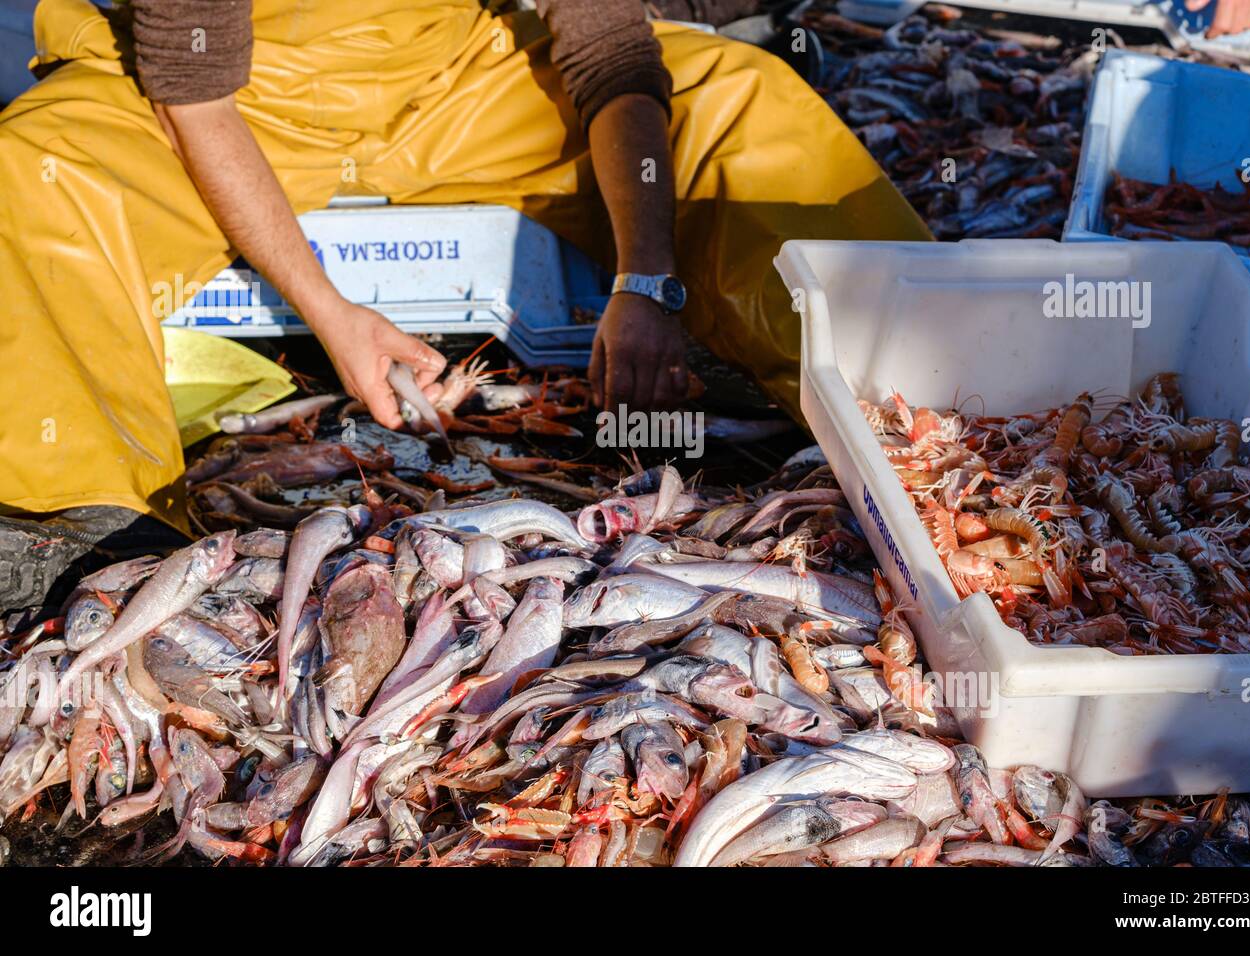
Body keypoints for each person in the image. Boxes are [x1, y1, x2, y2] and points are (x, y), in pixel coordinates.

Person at [0, 0, 930, 616]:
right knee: (27, 174)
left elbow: (609, 53)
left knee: (741, 101)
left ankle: (929, 430)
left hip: (459, 84)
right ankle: (86, 543)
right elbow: (194, 95)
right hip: (242, 106)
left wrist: (646, 280)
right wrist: (332, 311)